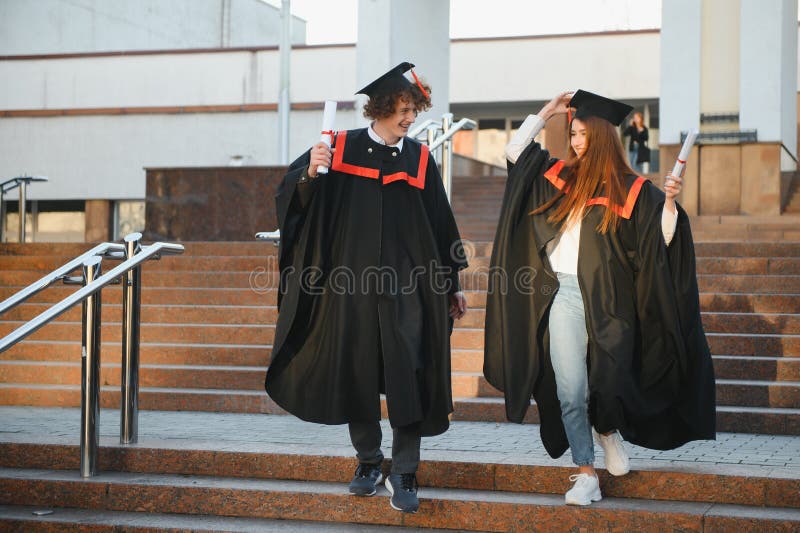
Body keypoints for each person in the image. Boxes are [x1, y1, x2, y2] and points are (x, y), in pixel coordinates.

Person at [483, 90, 715, 506]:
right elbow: (516, 153)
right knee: (570, 389)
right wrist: (548, 113)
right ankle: (586, 472)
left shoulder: (634, 189)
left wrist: (671, 204)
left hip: (613, 302)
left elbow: (660, 242)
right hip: (564, 294)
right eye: (572, 133)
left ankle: (608, 431)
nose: (575, 141)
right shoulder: (558, 176)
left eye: (584, 134)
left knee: (608, 383)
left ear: (605, 136)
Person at [266, 62, 468, 514]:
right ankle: (368, 461)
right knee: (357, 372)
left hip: (410, 288)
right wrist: (311, 175)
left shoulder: (419, 158)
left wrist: (452, 282)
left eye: (414, 110)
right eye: (403, 108)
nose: (410, 118)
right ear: (379, 108)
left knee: (409, 373)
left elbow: (440, 222)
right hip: (351, 288)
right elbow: (292, 202)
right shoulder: (336, 149)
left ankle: (406, 470)